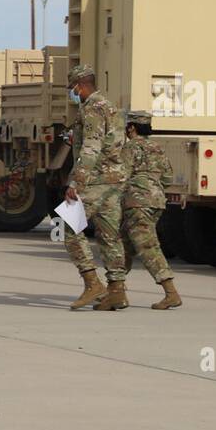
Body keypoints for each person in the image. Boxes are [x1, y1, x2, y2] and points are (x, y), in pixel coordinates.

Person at [63, 64, 129, 310]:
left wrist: (76, 182)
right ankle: (117, 290)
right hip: (114, 180)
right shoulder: (110, 107)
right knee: (110, 236)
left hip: (95, 180)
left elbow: (91, 146)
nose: (72, 93)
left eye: (72, 88)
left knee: (69, 227)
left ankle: (92, 284)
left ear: (80, 86)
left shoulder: (91, 109)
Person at [119, 111, 181, 309]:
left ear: (132, 128)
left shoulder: (130, 147)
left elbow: (122, 175)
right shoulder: (157, 148)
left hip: (137, 202)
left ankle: (171, 293)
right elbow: (167, 178)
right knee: (123, 246)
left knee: (147, 247)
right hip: (156, 201)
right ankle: (115, 289)